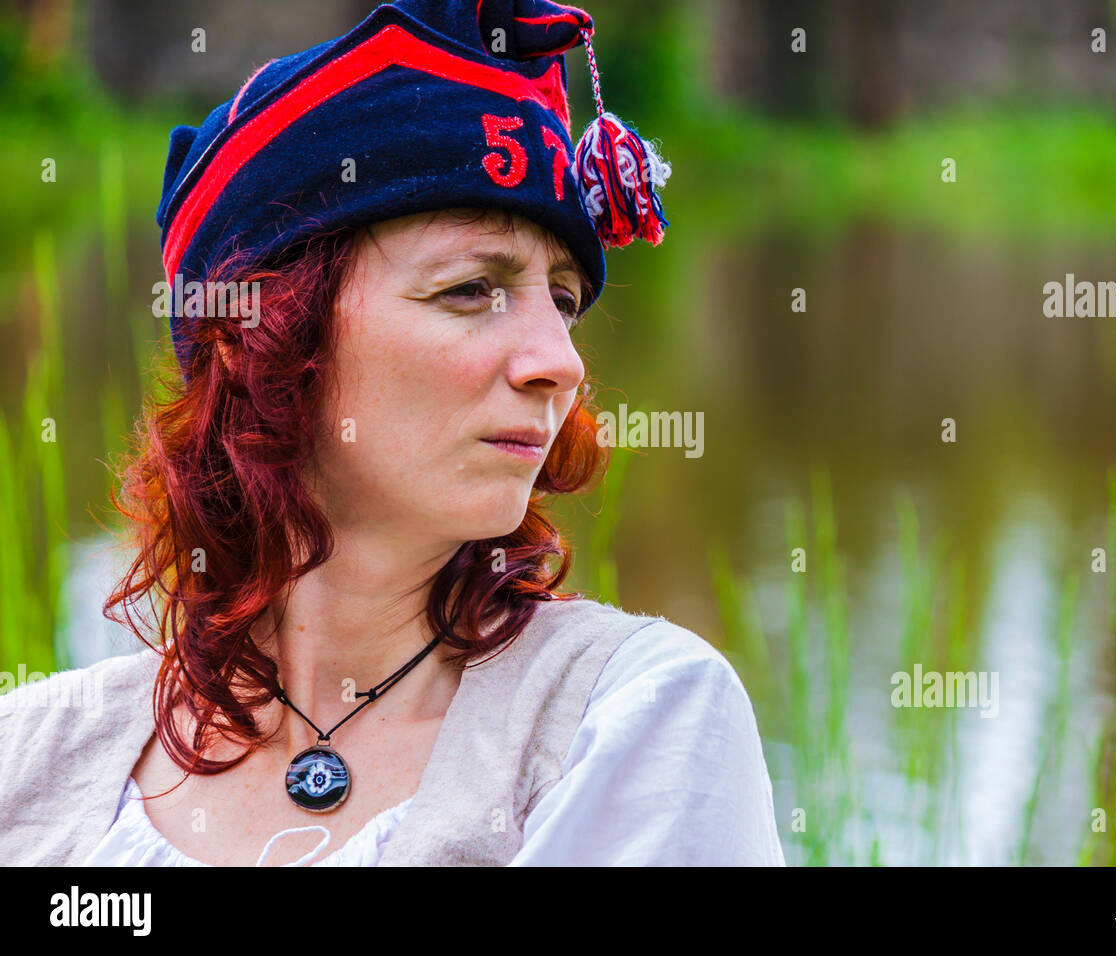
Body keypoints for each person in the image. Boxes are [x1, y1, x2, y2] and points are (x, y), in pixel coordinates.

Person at [0, 0, 784, 866]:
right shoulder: (29, 755)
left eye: (562, 300)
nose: (559, 363)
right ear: (271, 339)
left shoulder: (632, 716)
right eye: (470, 289)